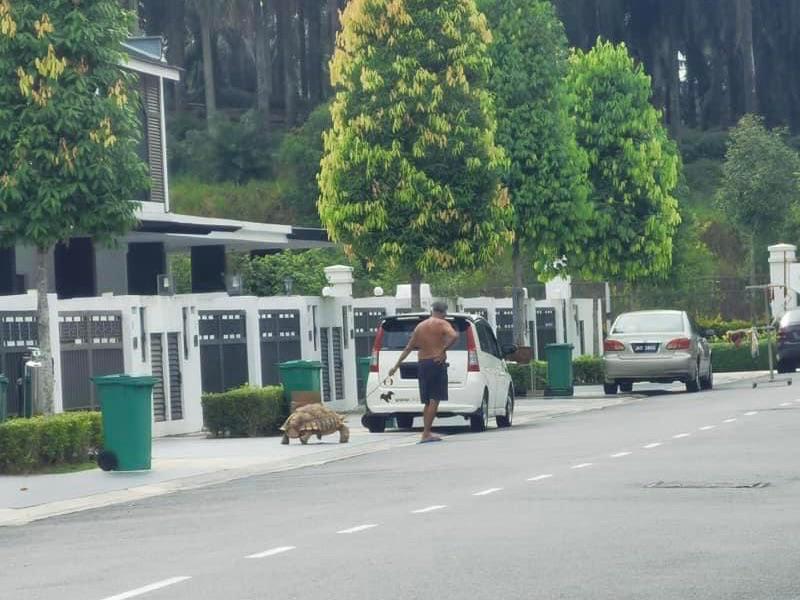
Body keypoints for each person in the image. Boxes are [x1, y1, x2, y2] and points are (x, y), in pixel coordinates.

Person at [388, 301, 459, 443]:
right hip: (435, 363)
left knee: (427, 401)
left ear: (432, 310)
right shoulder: (441, 323)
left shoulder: (420, 326)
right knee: (435, 399)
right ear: (444, 312)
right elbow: (454, 335)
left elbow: (409, 348)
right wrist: (443, 350)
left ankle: (425, 432)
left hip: (422, 364)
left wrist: (395, 366)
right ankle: (426, 433)